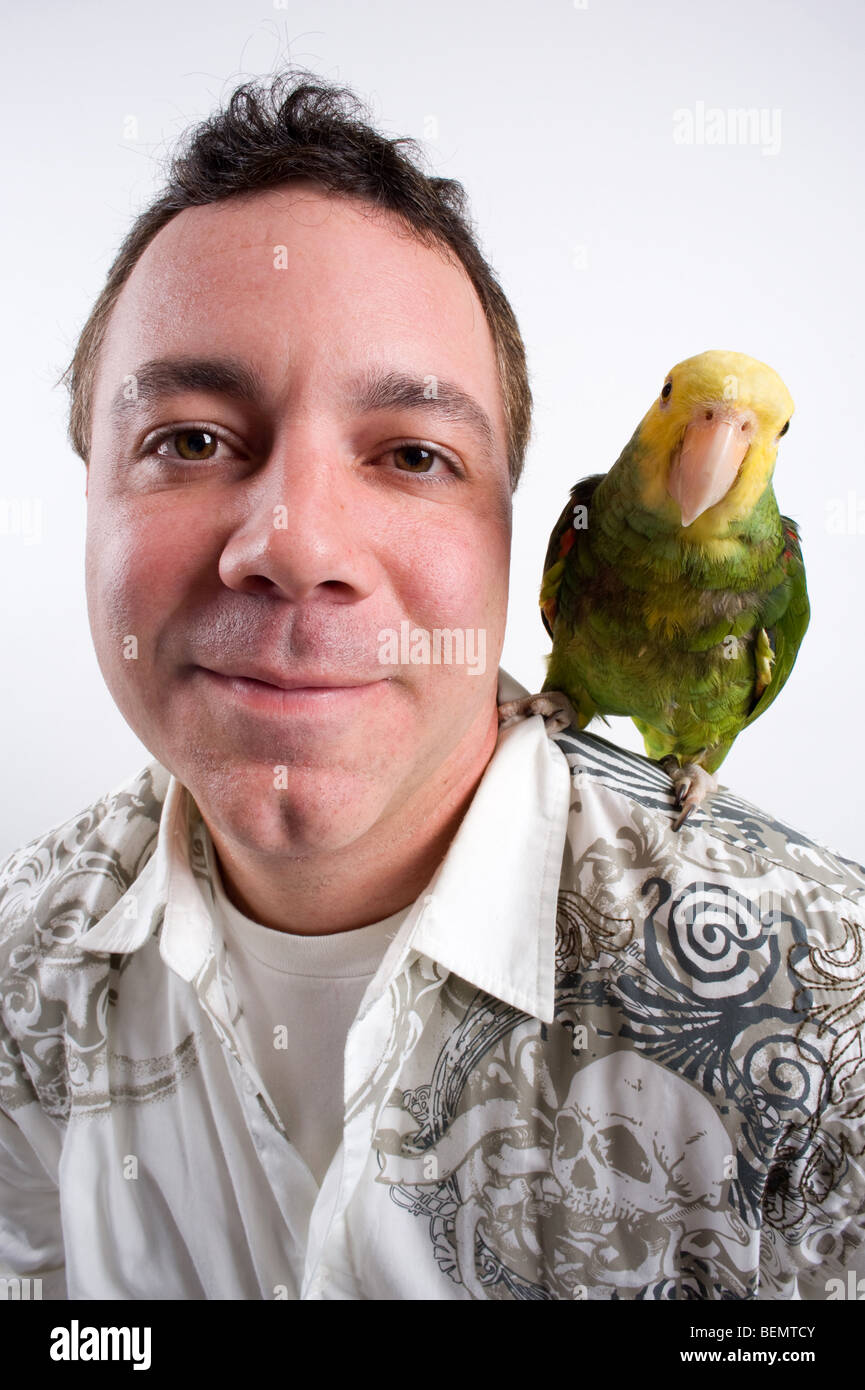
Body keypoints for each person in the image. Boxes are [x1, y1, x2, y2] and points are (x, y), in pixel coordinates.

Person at [1, 71, 863, 1303]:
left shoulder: (835, 1022)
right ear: (81, 503)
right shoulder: (19, 970)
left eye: (413, 455)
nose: (296, 546)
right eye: (188, 438)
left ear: (510, 531)